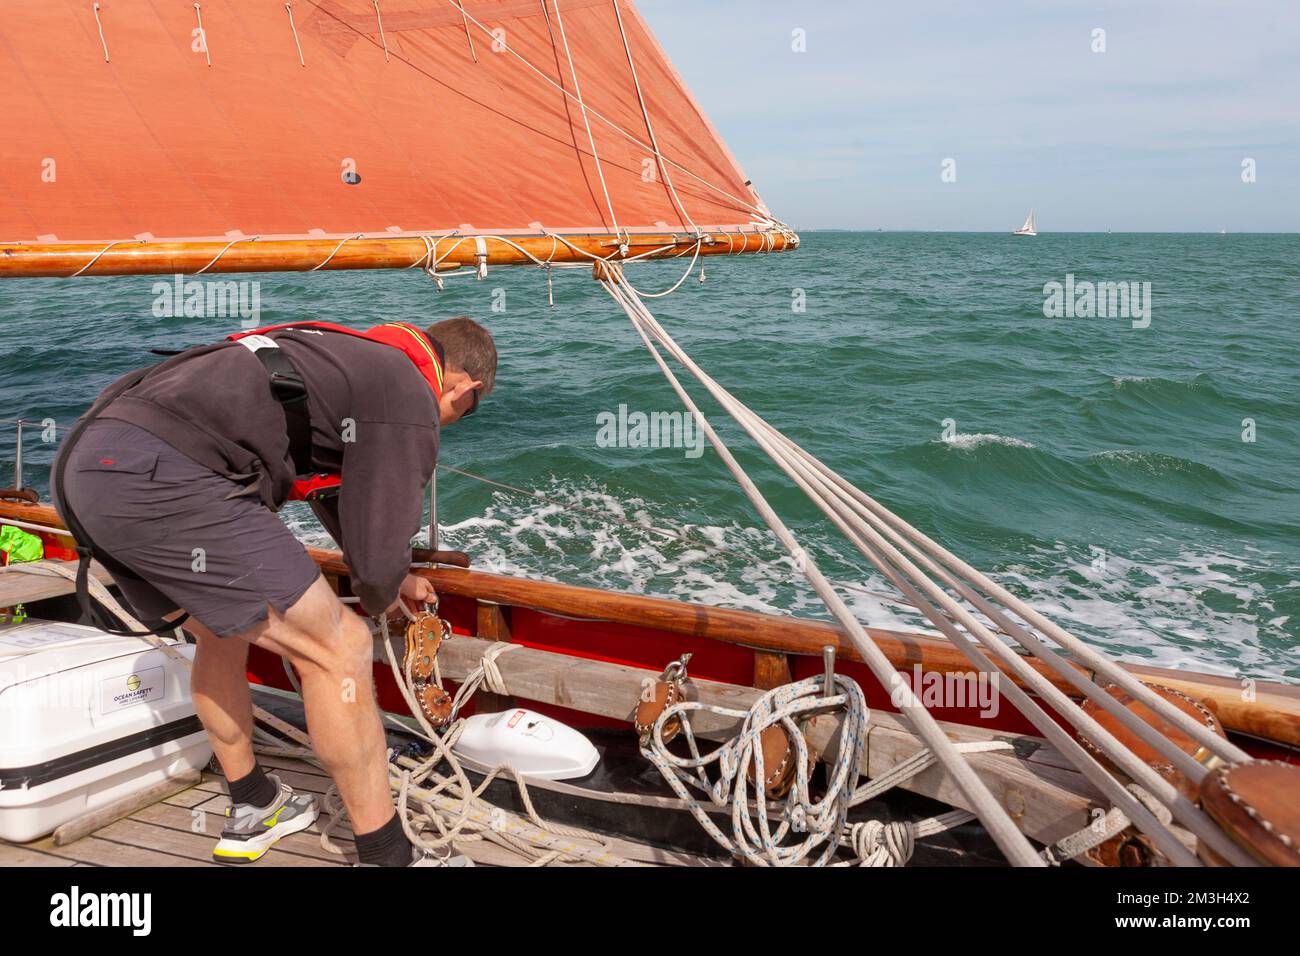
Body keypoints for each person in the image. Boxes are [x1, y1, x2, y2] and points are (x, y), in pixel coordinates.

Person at [53, 316, 497, 866]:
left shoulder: (340, 356)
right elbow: (377, 569)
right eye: (461, 414)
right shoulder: (407, 388)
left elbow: (332, 490)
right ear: (463, 387)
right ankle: (389, 857)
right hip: (166, 478)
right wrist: (384, 591)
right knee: (341, 648)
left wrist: (389, 569)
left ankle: (255, 806)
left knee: (224, 627)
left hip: (87, 471)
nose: (448, 422)